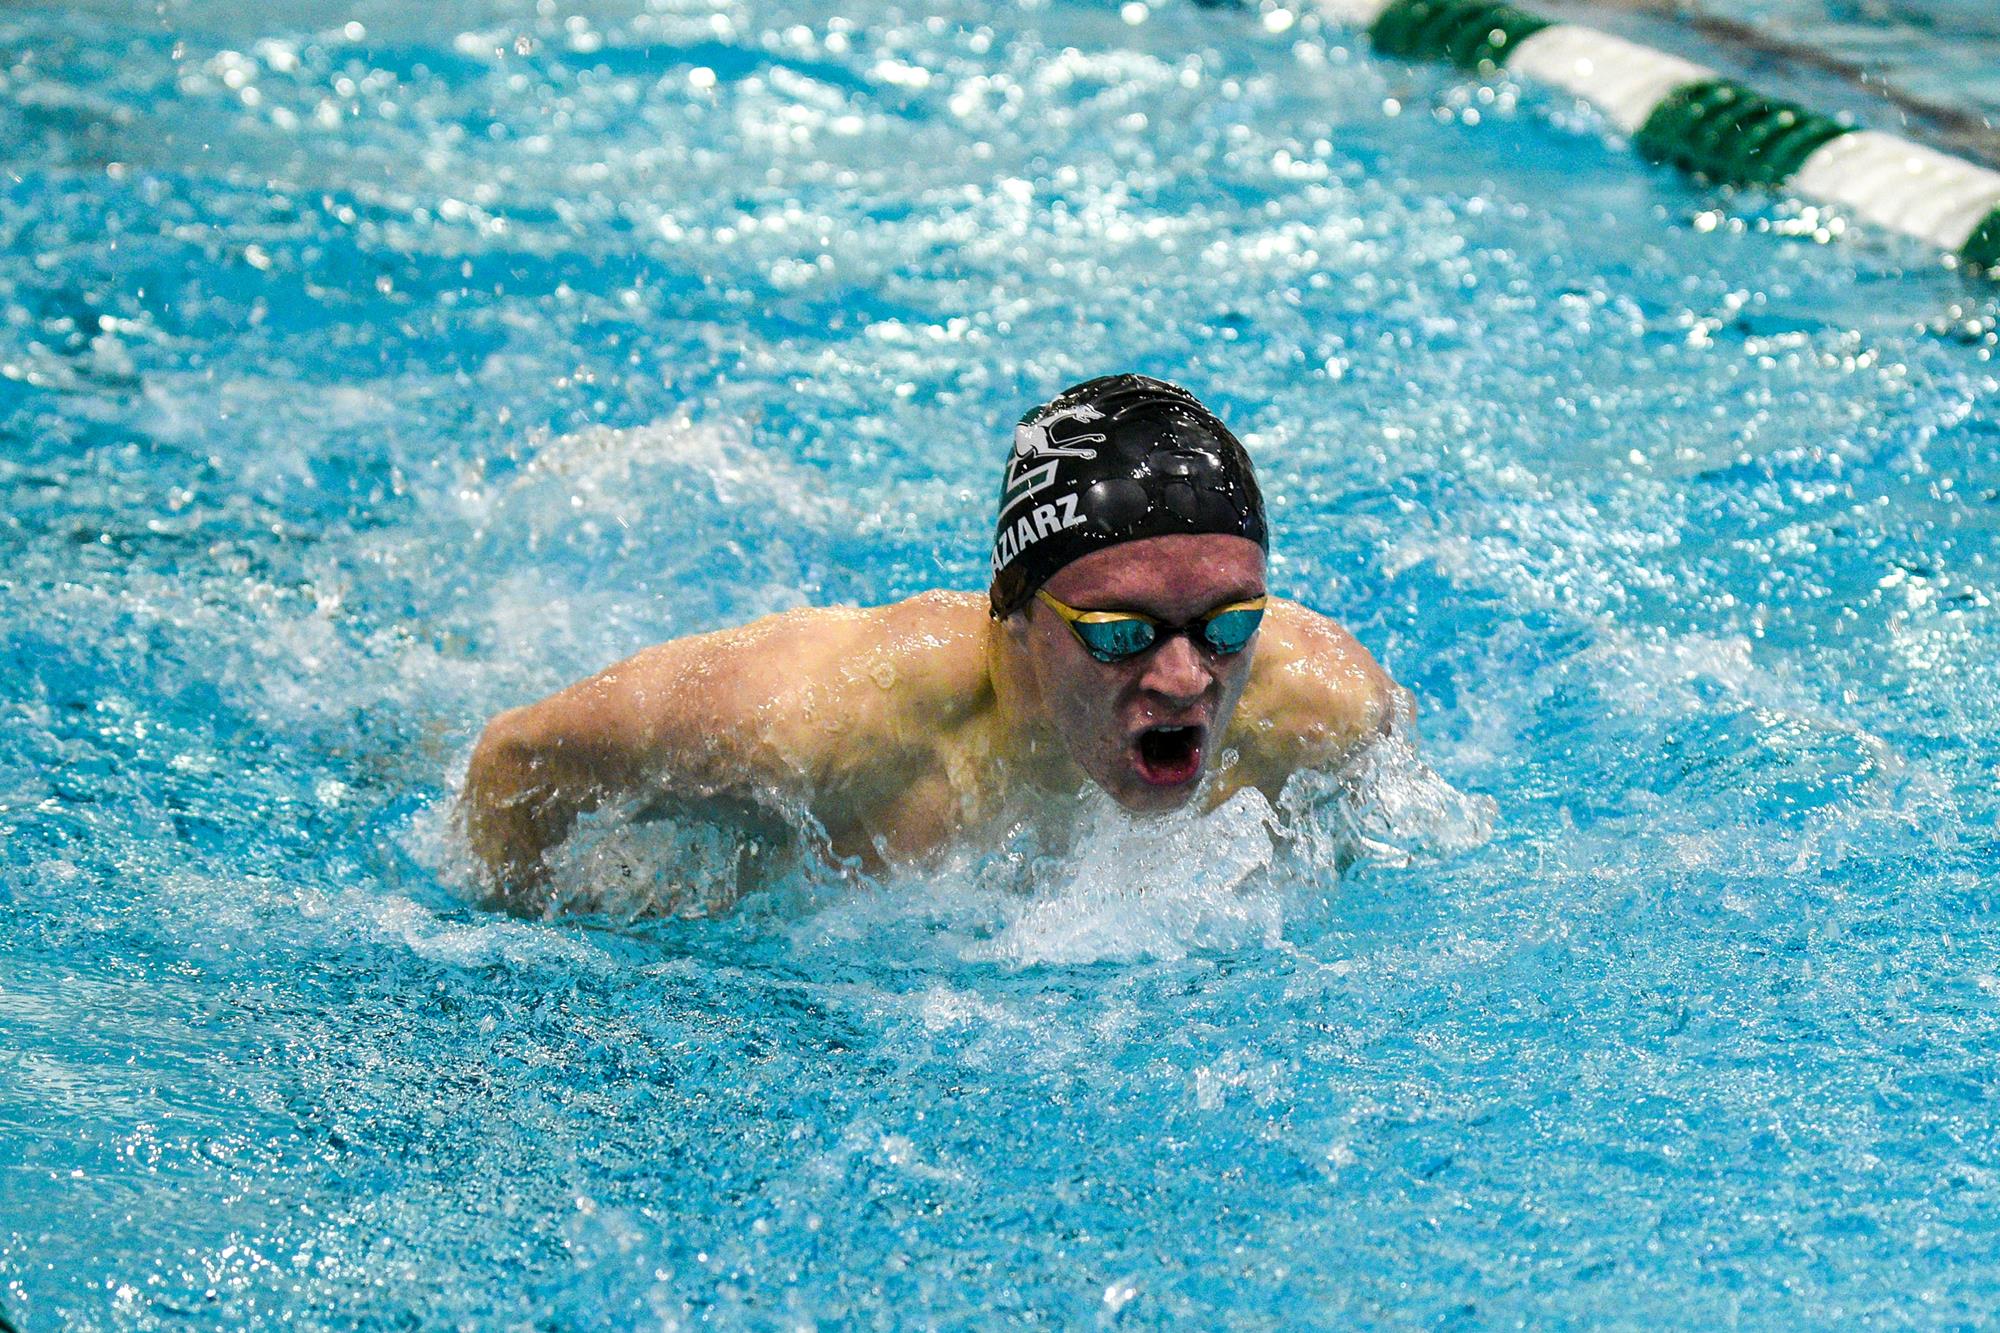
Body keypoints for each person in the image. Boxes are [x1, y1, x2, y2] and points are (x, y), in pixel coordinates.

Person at [462, 374, 1403, 916]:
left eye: (1230, 624)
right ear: (1015, 608)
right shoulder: (815, 717)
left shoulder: (1324, 711)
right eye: (1121, 633)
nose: (1185, 676)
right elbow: (514, 755)